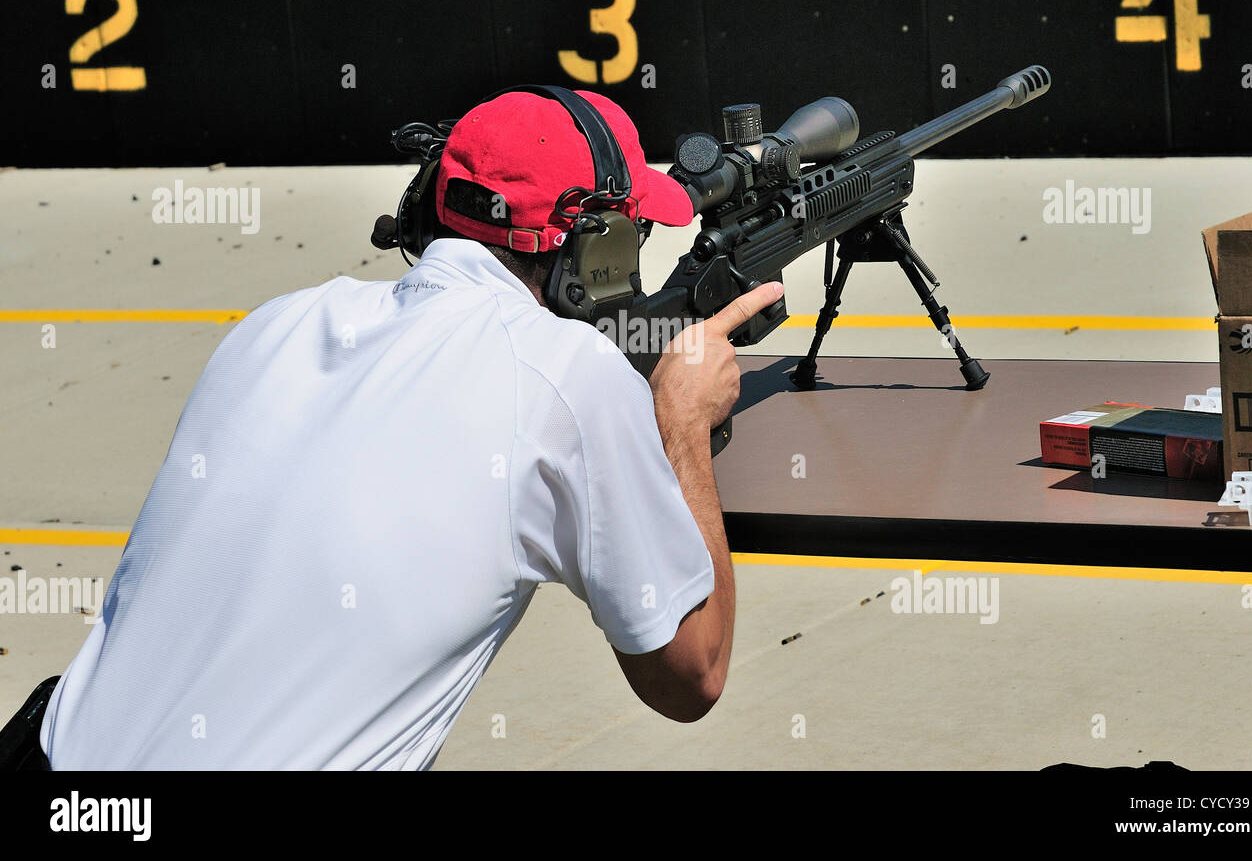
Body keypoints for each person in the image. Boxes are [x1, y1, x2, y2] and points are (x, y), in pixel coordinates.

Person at [35, 88, 784, 769]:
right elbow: (694, 671)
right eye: (636, 236)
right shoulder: (566, 373)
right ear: (598, 250)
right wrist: (680, 422)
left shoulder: (277, 324)